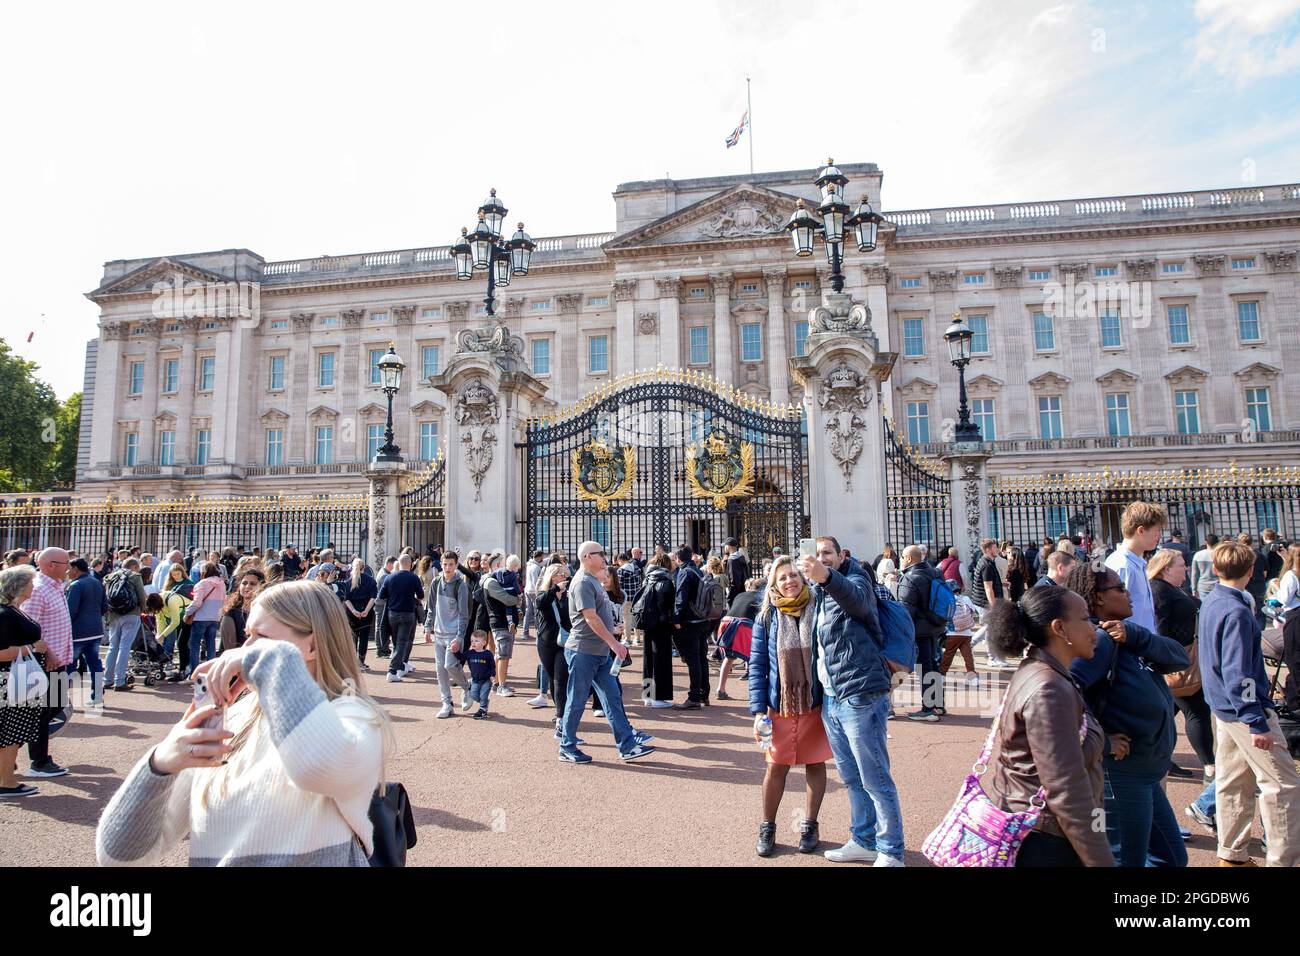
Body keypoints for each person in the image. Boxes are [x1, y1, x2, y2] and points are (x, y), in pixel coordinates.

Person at [96, 580, 392, 866]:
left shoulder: (355, 717)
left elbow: (316, 766)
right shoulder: (230, 719)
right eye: (247, 634)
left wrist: (270, 661)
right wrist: (159, 766)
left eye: (261, 638)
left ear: (311, 647)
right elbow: (118, 857)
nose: (245, 647)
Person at [1067, 562, 1189, 867]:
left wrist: (1135, 635)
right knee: (1125, 862)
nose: (1129, 593)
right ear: (1097, 598)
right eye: (1119, 589)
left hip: (1146, 771)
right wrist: (1102, 740)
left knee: (1171, 858)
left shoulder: (1126, 637)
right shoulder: (1099, 641)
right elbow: (1061, 694)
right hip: (1118, 774)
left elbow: (1178, 658)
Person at [983, 587, 1115, 866]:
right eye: (1086, 619)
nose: (1094, 628)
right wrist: (1102, 860)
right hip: (1048, 841)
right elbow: (1066, 789)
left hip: (1048, 832)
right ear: (1060, 628)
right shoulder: (1049, 688)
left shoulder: (1045, 673)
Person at [798, 536, 903, 866]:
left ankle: (891, 850)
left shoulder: (857, 580)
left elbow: (857, 602)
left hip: (861, 691)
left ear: (842, 555)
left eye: (827, 553)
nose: (822, 558)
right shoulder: (817, 592)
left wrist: (826, 577)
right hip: (833, 695)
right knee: (852, 776)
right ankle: (863, 839)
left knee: (875, 777)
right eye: (817, 555)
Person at [1198, 541, 1300, 867]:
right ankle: (1281, 861)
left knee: (1232, 783)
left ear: (1216, 569)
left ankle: (1232, 856)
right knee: (1283, 786)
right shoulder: (1237, 611)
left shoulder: (1213, 600)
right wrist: (1255, 720)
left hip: (1223, 708)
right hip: (1244, 711)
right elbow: (1238, 671)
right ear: (1253, 571)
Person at [748, 556, 832, 857]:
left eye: (794, 575)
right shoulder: (766, 618)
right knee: (776, 766)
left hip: (813, 700)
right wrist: (758, 710)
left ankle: (810, 825)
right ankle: (767, 825)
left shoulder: (819, 606)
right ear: (774, 583)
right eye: (782, 577)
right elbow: (757, 666)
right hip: (779, 704)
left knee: (815, 762)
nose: (789, 581)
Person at [557, 541, 654, 764]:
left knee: (612, 698)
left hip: (598, 651)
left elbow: (598, 616)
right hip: (583, 651)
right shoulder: (582, 582)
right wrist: (614, 643)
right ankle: (567, 746)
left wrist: (612, 631)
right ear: (587, 557)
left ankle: (627, 745)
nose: (604, 557)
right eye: (600, 554)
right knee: (577, 700)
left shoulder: (593, 580)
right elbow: (590, 617)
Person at [1148, 549, 1213, 785]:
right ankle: (1210, 766)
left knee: (1168, 712)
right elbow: (1160, 627)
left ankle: (1161, 757)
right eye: (1181, 564)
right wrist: (1168, 661)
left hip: (1184, 657)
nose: (1185, 568)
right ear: (1166, 568)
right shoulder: (1159, 590)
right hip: (1177, 661)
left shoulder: (1172, 589)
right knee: (1197, 711)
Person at [1, 566, 51, 797]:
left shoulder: (14, 611)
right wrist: (30, 648)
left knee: (13, 732)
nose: (33, 586)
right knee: (11, 732)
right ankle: (6, 782)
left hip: (21, 677)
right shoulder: (5, 614)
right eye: (30, 583)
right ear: (19, 587)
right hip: (12, 679)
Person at [898, 544, 947, 722]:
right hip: (937, 626)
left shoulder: (910, 578)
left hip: (920, 630)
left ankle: (928, 708)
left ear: (909, 559)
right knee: (933, 665)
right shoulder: (935, 572)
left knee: (924, 668)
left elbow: (905, 610)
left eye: (903, 557)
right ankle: (938, 704)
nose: (902, 560)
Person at [1104, 501, 1165, 635]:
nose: (1159, 536)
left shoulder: (1136, 562)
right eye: (1157, 531)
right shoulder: (1123, 566)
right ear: (1141, 530)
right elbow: (1114, 615)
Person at [426, 550, 471, 718]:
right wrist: (427, 626)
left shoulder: (461, 585)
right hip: (439, 632)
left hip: (453, 633)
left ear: (456, 565)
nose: (447, 568)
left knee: (450, 665)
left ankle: (467, 688)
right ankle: (447, 702)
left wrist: (460, 636)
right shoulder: (436, 582)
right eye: (445, 564)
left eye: (451, 564)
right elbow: (431, 607)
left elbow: (463, 614)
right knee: (440, 670)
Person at [536, 562, 576, 735]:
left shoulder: (569, 595)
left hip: (564, 642)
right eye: (560, 574)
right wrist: (554, 590)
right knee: (552, 677)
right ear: (552, 577)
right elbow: (540, 603)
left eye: (564, 574)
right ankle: (558, 710)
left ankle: (561, 717)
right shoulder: (545, 593)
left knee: (561, 677)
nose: (564, 577)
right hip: (546, 642)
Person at [671, 545, 710, 709]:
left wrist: (676, 618)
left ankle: (694, 696)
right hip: (702, 620)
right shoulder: (698, 571)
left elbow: (681, 597)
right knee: (701, 657)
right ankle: (703, 694)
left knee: (693, 659)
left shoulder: (684, 572)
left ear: (678, 559)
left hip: (690, 621)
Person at [65, 558, 107, 707]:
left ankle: (61, 700)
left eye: (69, 569)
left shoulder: (76, 585)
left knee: (69, 665)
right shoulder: (96, 582)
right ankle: (97, 697)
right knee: (94, 664)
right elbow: (104, 606)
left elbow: (71, 611)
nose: (67, 572)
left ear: (75, 569)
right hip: (95, 630)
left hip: (77, 632)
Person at [637, 553, 676, 709]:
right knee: (661, 660)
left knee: (648, 659)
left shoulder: (648, 577)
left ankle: (647, 695)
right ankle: (659, 697)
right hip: (661, 623)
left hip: (647, 622)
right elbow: (669, 604)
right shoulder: (666, 581)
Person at [481, 553, 522, 696]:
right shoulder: (491, 582)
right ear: (497, 565)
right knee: (503, 655)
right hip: (500, 621)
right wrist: (517, 599)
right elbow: (508, 600)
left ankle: (498, 683)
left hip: (502, 622)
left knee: (501, 654)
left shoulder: (495, 579)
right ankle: (501, 685)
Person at [380, 555, 424, 683]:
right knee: (402, 642)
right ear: (410, 564)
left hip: (392, 613)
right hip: (407, 613)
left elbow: (382, 595)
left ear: (399, 564)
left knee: (396, 643)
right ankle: (393, 670)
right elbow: (421, 595)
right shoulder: (413, 577)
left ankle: (399, 666)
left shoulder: (389, 577)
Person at [716, 575, 761, 701]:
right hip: (743, 625)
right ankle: (755, 695)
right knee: (754, 657)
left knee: (729, 658)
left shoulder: (740, 595)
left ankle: (720, 689)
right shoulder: (761, 597)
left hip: (726, 623)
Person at [183, 563, 226, 679]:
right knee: (211, 645)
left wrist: (187, 612)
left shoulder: (201, 584)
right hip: (215, 617)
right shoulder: (222, 584)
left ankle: (194, 673)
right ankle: (211, 672)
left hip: (200, 618)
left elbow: (197, 603)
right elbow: (224, 600)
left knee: (194, 645)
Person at [219, 568, 265, 654]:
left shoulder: (266, 612)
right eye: (244, 583)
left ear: (261, 586)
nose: (247, 586)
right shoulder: (231, 612)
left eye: (253, 583)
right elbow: (230, 649)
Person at [342, 558, 377, 672]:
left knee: (353, 637)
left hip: (352, 613)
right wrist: (366, 610)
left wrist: (353, 611)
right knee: (364, 638)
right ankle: (361, 662)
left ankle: (352, 662)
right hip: (365, 612)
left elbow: (346, 599)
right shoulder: (370, 580)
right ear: (364, 567)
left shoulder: (348, 581)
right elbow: (373, 597)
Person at [464, 630, 496, 719]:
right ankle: (484, 702)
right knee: (473, 695)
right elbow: (461, 657)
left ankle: (482, 710)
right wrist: (455, 652)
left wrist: (492, 675)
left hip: (486, 680)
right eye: (472, 641)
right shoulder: (470, 653)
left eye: (476, 641)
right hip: (475, 679)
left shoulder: (487, 654)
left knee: (483, 695)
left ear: (484, 643)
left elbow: (492, 666)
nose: (473, 643)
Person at [615, 551, 643, 647]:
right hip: (636, 597)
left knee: (626, 618)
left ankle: (627, 640)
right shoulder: (636, 568)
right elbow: (640, 582)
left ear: (620, 560)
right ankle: (638, 639)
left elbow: (618, 586)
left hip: (626, 598)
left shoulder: (621, 570)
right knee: (636, 616)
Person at [373, 555, 396, 658]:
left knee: (382, 626)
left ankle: (384, 647)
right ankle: (381, 649)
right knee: (380, 627)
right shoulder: (384, 575)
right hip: (381, 604)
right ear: (390, 564)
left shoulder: (385, 573)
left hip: (382, 604)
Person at [971, 539, 1003, 610]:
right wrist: (994, 608)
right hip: (985, 604)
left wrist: (1001, 584)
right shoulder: (987, 565)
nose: (997, 550)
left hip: (983, 602)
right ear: (988, 550)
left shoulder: (987, 561)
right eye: (995, 548)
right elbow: (988, 588)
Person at [524, 549, 545, 640]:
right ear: (539, 556)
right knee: (537, 612)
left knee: (528, 612)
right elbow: (536, 581)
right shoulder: (536, 567)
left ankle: (525, 632)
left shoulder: (530, 565)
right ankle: (538, 632)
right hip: (533, 591)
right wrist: (538, 592)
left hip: (527, 590)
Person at [724, 537, 751, 606]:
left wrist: (730, 596)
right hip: (743, 591)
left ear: (728, 547)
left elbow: (734, 579)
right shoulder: (741, 557)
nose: (724, 548)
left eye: (725, 546)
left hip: (735, 594)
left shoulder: (732, 560)